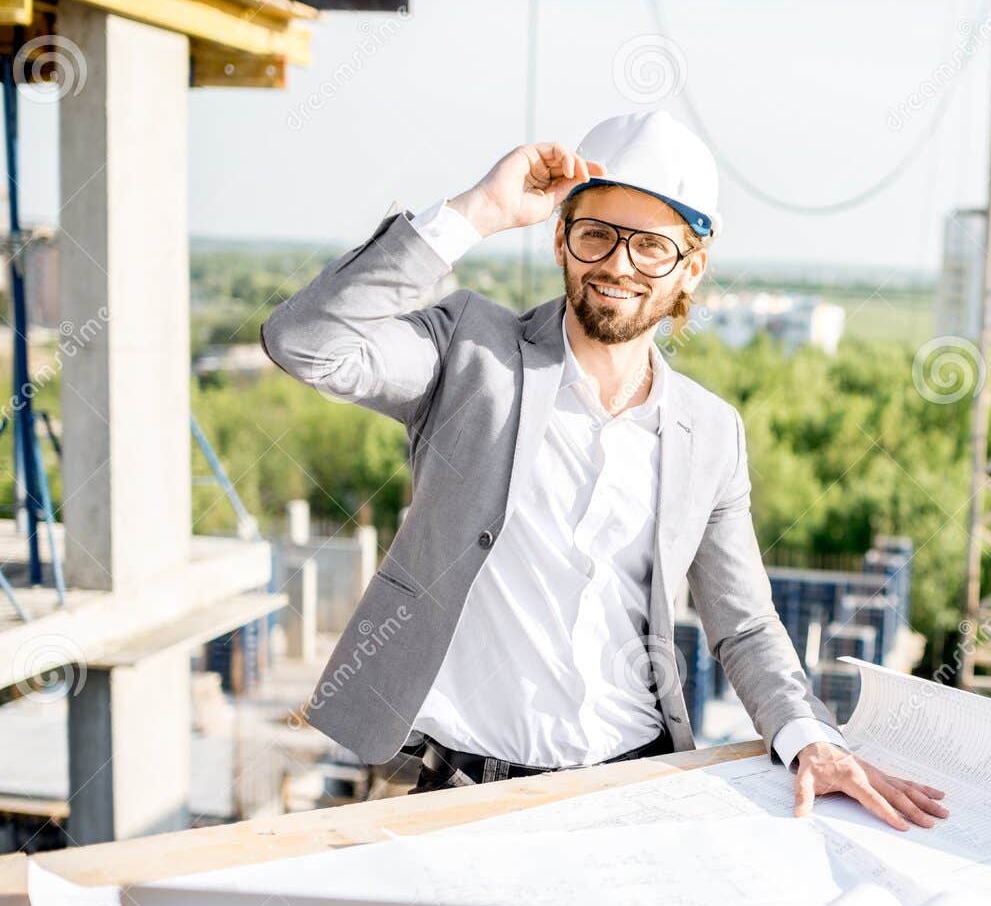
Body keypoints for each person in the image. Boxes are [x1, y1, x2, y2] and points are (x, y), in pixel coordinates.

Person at [261, 110, 948, 831]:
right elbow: (305, 342)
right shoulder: (470, 353)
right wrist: (476, 213)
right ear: (561, 237)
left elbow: (743, 625)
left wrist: (811, 739)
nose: (618, 265)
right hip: (467, 796)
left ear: (693, 265)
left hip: (635, 792)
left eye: (651, 247)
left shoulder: (710, 433)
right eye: (597, 235)